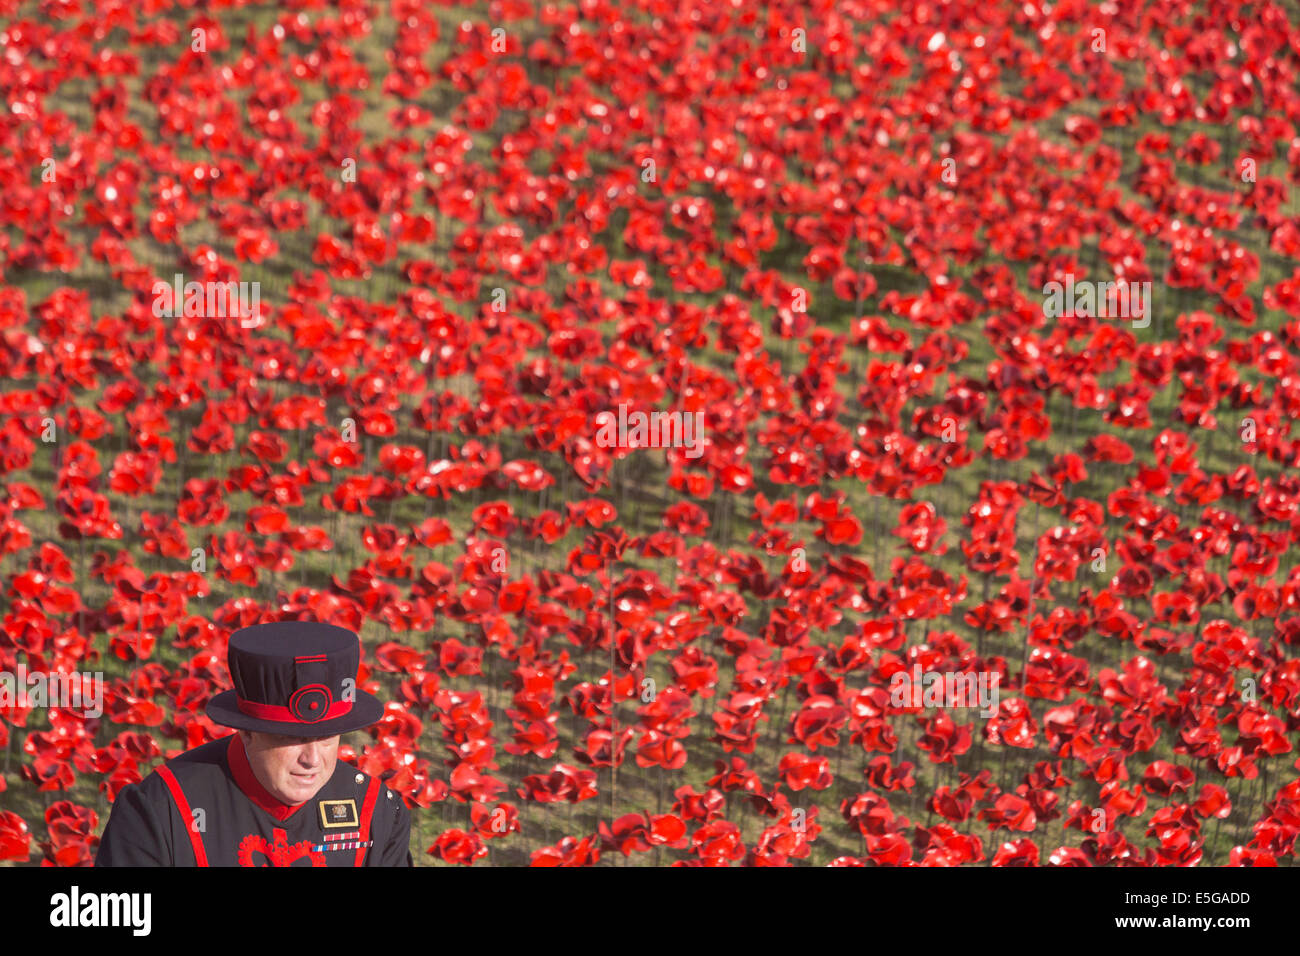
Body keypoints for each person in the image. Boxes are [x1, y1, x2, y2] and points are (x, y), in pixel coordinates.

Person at [95, 621, 412, 866]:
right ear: (246, 731)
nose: (313, 759)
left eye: (327, 737)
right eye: (291, 738)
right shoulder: (161, 808)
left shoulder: (377, 813)